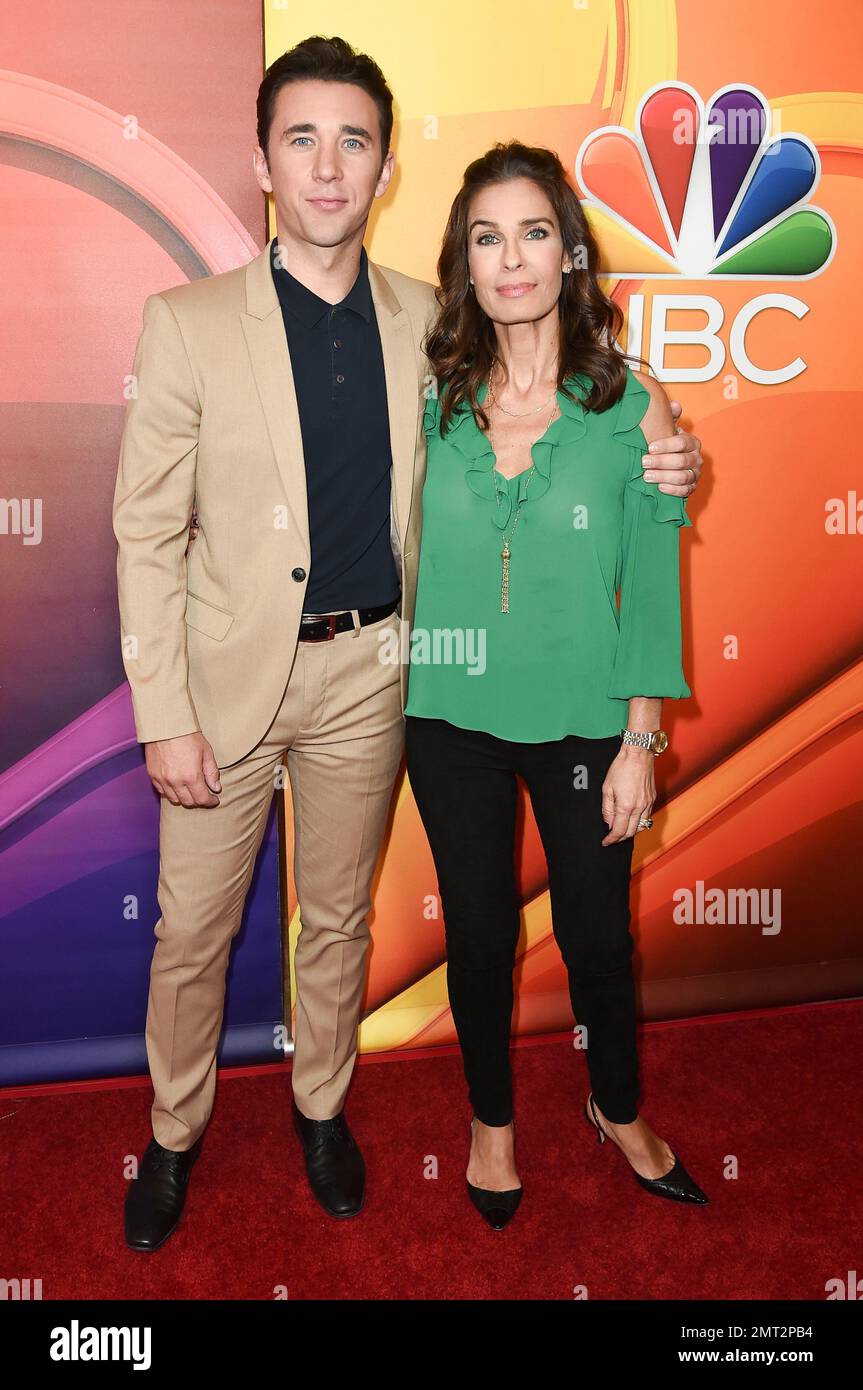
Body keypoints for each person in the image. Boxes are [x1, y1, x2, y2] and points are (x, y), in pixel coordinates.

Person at [113, 37, 705, 1251]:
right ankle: (173, 1134)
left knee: (335, 923)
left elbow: (596, 436)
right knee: (193, 930)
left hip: (375, 678)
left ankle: (321, 1108)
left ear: (383, 166)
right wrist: (161, 709)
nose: (328, 167)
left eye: (354, 141)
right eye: (301, 139)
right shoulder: (187, 323)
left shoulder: (428, 326)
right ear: (264, 159)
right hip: (225, 683)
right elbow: (143, 532)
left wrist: (675, 459)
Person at [403, 140, 708, 1229]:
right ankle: (491, 1122)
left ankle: (615, 1106)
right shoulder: (430, 398)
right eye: (485, 237)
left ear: (568, 251)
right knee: (479, 932)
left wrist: (640, 741)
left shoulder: (631, 402)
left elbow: (654, 584)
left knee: (593, 936)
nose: (510, 257)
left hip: (587, 724)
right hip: (445, 716)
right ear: (464, 262)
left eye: (532, 231)